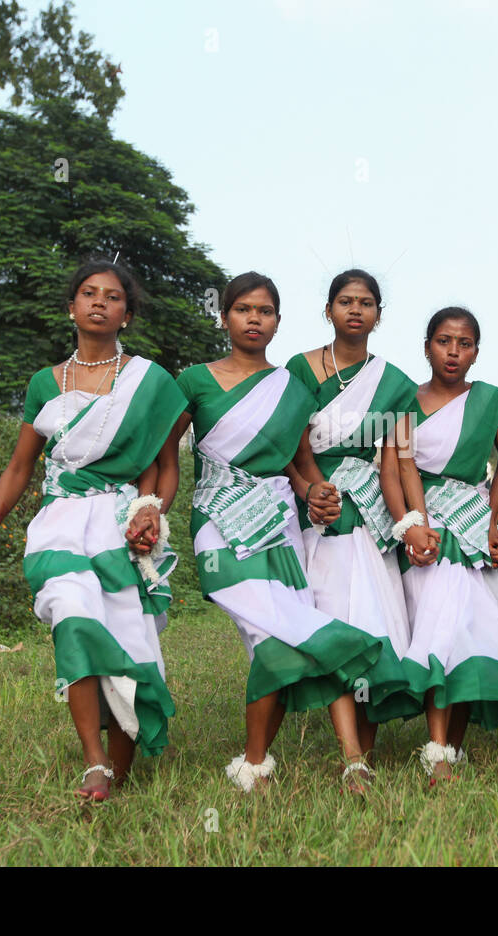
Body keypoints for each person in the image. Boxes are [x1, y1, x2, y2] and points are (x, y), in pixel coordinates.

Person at [0, 259, 186, 802]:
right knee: (73, 619)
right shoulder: (44, 383)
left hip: (121, 524)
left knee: (129, 639)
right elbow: (18, 470)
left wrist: (152, 510)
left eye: (113, 296)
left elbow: (165, 464)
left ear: (126, 314)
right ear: (72, 306)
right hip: (58, 523)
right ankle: (94, 761)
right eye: (88, 293)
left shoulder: (148, 381)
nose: (100, 302)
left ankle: (121, 764)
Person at [167, 271, 383, 794]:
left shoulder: (290, 386)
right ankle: (348, 658)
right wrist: (151, 508)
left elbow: (301, 462)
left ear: (278, 321)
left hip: (280, 521)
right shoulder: (194, 380)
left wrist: (315, 494)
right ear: (224, 317)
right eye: (243, 309)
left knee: (280, 638)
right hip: (219, 522)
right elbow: (162, 455)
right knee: (277, 630)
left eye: (265, 311)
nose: (254, 319)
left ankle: (295, 762)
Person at [381, 306, 498, 785]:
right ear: (427, 346)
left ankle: (452, 745)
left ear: (476, 352)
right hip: (427, 529)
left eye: (464, 343)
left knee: (473, 628)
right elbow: (391, 469)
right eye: (444, 341)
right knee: (438, 627)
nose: (453, 351)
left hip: (477, 528)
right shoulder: (402, 400)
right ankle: (436, 748)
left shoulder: (491, 399)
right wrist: (410, 525)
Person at [285, 269, 421, 755]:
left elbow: (401, 459)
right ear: (328, 311)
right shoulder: (298, 370)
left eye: (366, 303)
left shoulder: (396, 383)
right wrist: (308, 491)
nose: (356, 309)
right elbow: (290, 446)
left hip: (368, 515)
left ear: (378, 316)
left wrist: (412, 522)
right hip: (314, 510)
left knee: (373, 619)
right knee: (330, 617)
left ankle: (361, 748)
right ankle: (351, 754)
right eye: (345, 301)